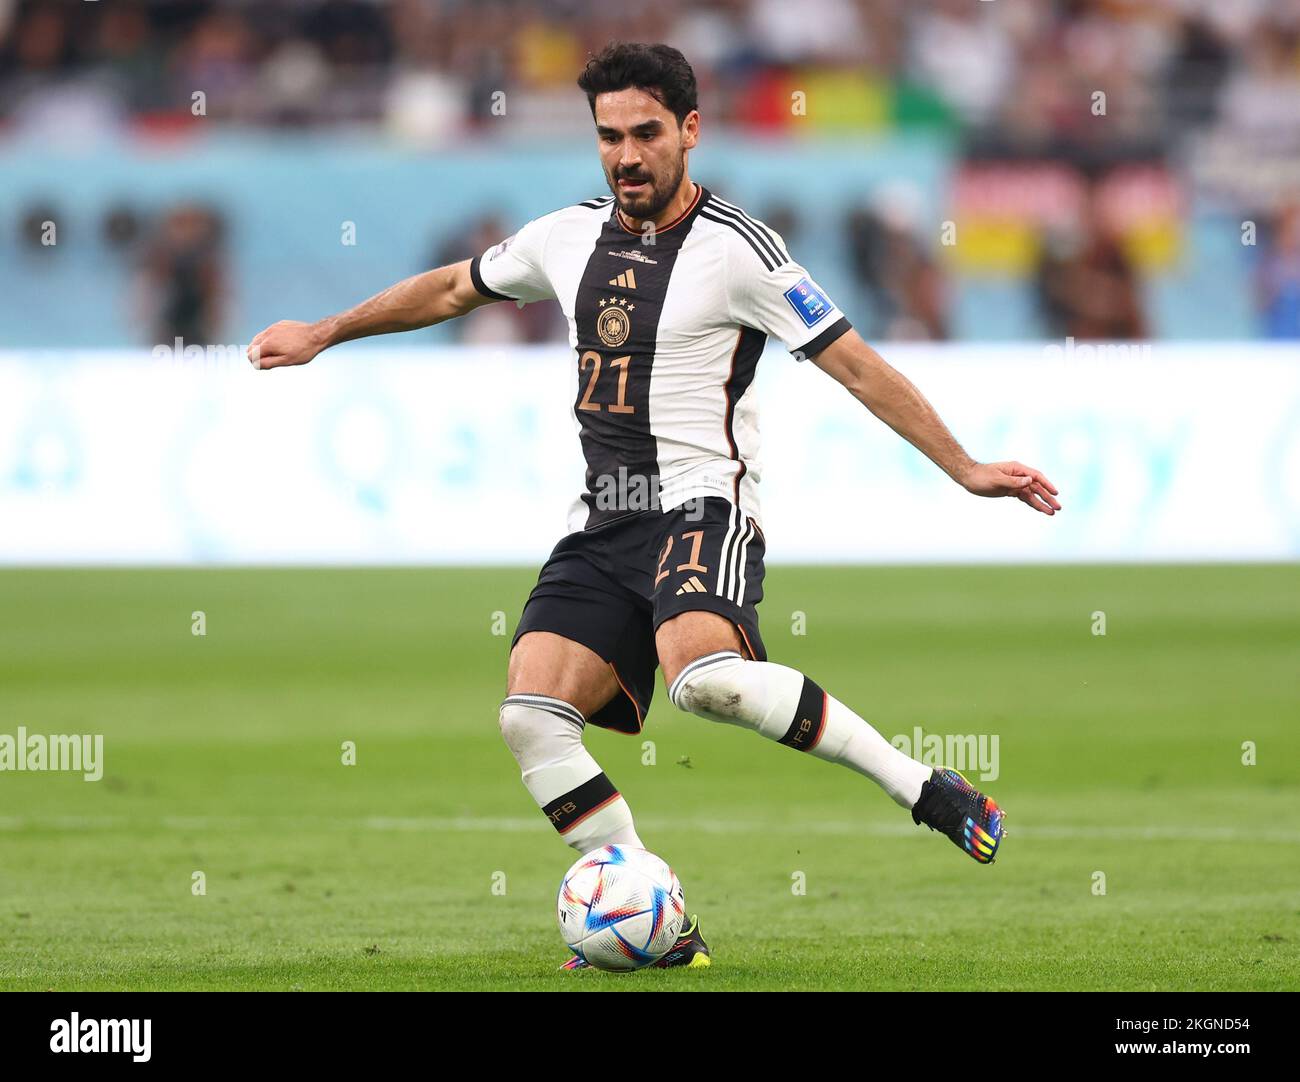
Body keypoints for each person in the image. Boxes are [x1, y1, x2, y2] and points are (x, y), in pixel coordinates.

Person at [248, 42, 1061, 971]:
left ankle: (925, 789)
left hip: (703, 507)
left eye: (645, 134)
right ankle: (648, 909)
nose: (626, 155)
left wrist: (963, 467)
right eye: (608, 137)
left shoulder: (742, 253)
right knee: (529, 715)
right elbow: (448, 288)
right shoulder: (565, 235)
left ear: (690, 132)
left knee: (702, 677)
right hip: (603, 519)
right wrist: (323, 332)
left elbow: (857, 365)